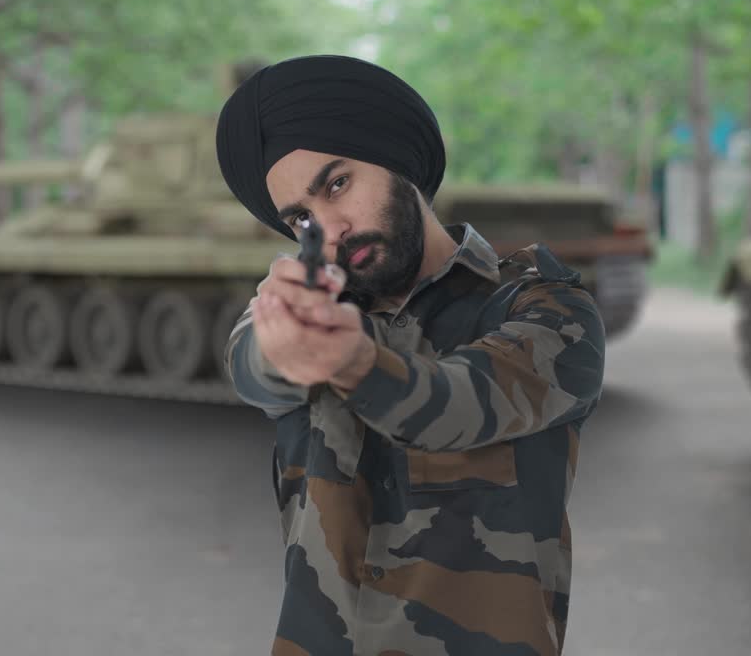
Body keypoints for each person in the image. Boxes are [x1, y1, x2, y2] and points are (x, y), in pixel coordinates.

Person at [216, 54, 606, 656]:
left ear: (398, 160)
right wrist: (278, 339)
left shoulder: (544, 309)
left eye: (338, 184)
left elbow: (458, 403)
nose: (330, 228)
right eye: (301, 217)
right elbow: (252, 369)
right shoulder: (307, 308)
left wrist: (349, 360)